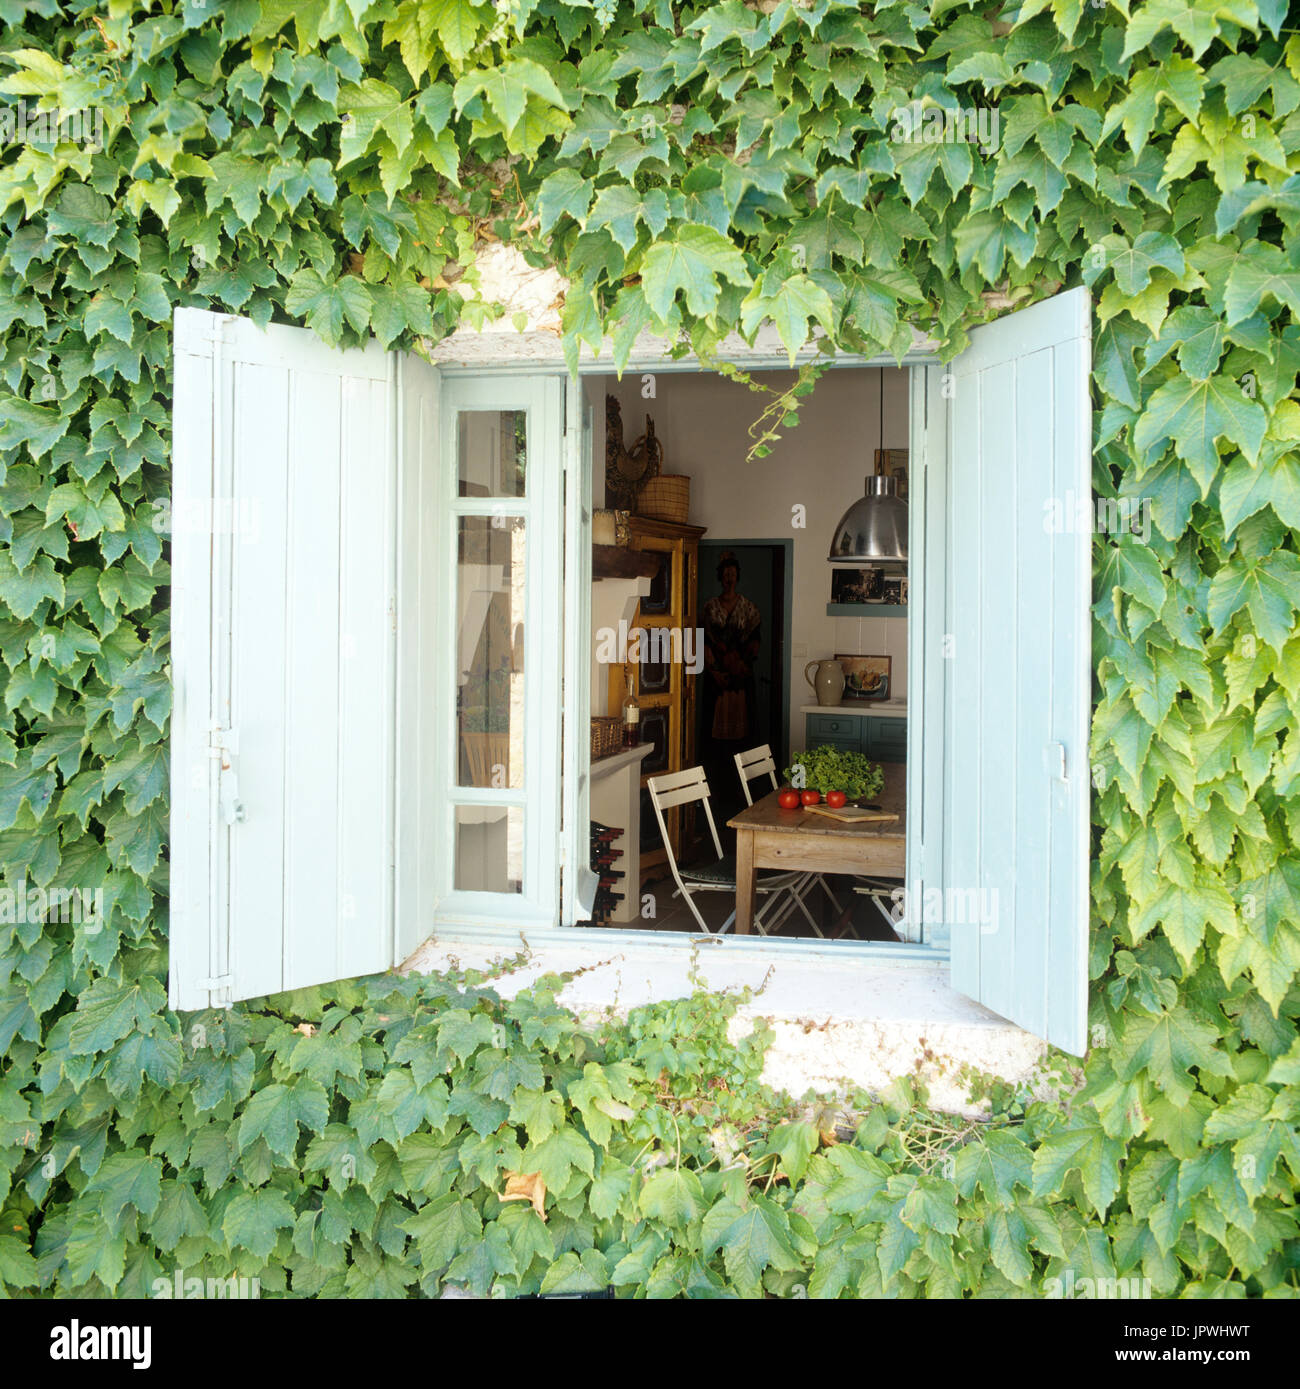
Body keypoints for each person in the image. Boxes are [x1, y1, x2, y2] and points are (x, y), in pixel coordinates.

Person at [701, 551, 761, 745]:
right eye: (726, 574)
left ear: (737, 577)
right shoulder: (710, 607)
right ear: (720, 577)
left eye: (732, 574)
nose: (729, 578)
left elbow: (754, 641)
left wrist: (741, 665)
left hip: (740, 675)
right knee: (714, 732)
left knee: (743, 732)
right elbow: (703, 642)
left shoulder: (748, 608)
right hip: (716, 676)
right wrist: (714, 671)